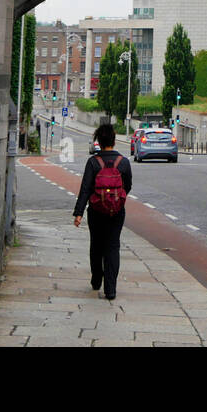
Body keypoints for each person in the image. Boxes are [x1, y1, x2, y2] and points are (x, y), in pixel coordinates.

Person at [72, 122, 132, 300]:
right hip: (116, 212)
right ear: (114, 140)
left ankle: (96, 279)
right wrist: (116, 200)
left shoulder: (93, 162)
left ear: (99, 141)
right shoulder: (124, 163)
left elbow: (85, 189)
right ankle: (111, 289)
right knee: (113, 245)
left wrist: (79, 213)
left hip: (96, 212)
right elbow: (127, 187)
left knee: (96, 244)